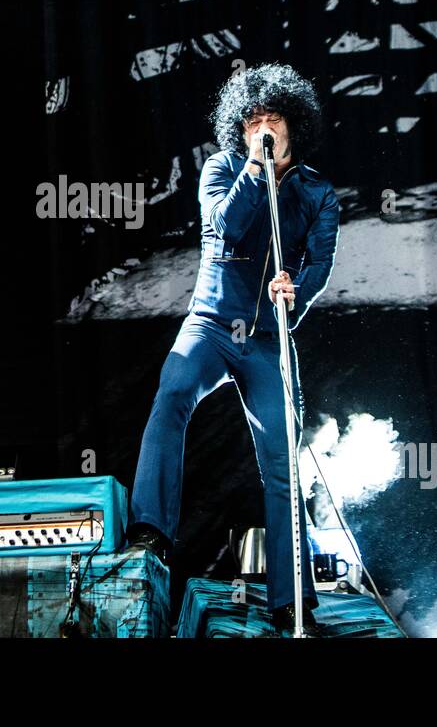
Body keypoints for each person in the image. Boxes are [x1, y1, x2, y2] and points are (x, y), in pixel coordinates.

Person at [126, 63, 341, 634]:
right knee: (171, 394)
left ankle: (290, 601)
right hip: (212, 324)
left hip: (268, 338)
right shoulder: (222, 169)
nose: (263, 129)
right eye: (253, 122)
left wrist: (295, 290)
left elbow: (319, 264)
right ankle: (151, 529)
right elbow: (226, 226)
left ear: (295, 124)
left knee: (282, 464)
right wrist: (255, 167)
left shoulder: (318, 191)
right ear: (239, 129)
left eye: (273, 120)